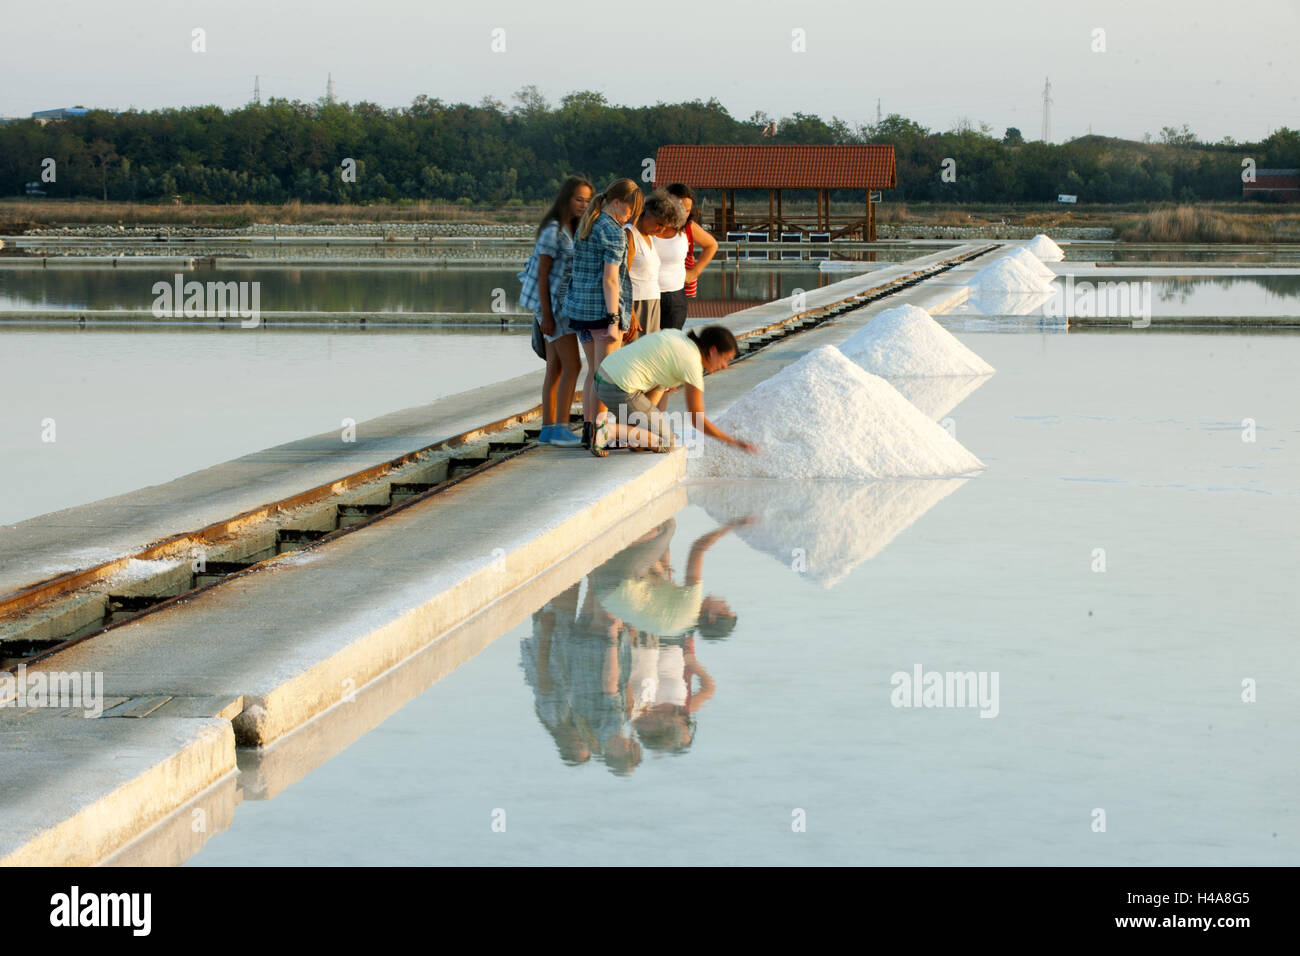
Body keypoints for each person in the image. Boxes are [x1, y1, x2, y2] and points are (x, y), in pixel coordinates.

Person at [589, 324, 759, 457]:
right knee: (666, 442)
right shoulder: (692, 364)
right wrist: (733, 442)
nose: (724, 366)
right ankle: (607, 430)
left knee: (663, 387)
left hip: (602, 377)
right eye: (725, 359)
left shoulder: (680, 337)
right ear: (713, 350)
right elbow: (697, 421)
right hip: (617, 387)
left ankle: (629, 435)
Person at [561, 178, 644, 449]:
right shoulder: (613, 231)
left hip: (580, 309)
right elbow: (610, 280)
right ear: (617, 202)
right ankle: (599, 435)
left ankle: (588, 431)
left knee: (593, 374)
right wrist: (613, 320)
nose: (630, 215)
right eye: (629, 209)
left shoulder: (588, 223)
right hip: (602, 312)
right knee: (606, 379)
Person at [523, 176, 592, 446]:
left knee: (555, 367)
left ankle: (548, 428)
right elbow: (542, 276)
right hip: (555, 307)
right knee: (573, 365)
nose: (584, 205)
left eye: (588, 200)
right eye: (579, 199)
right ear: (566, 198)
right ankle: (561, 427)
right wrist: (547, 316)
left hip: (560, 305)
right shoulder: (553, 231)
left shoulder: (569, 228)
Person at [624, 189, 687, 342]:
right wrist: (628, 312)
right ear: (648, 213)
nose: (661, 230)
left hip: (653, 302)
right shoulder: (630, 234)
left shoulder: (650, 237)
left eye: (665, 227)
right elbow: (621, 275)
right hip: (635, 304)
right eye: (659, 224)